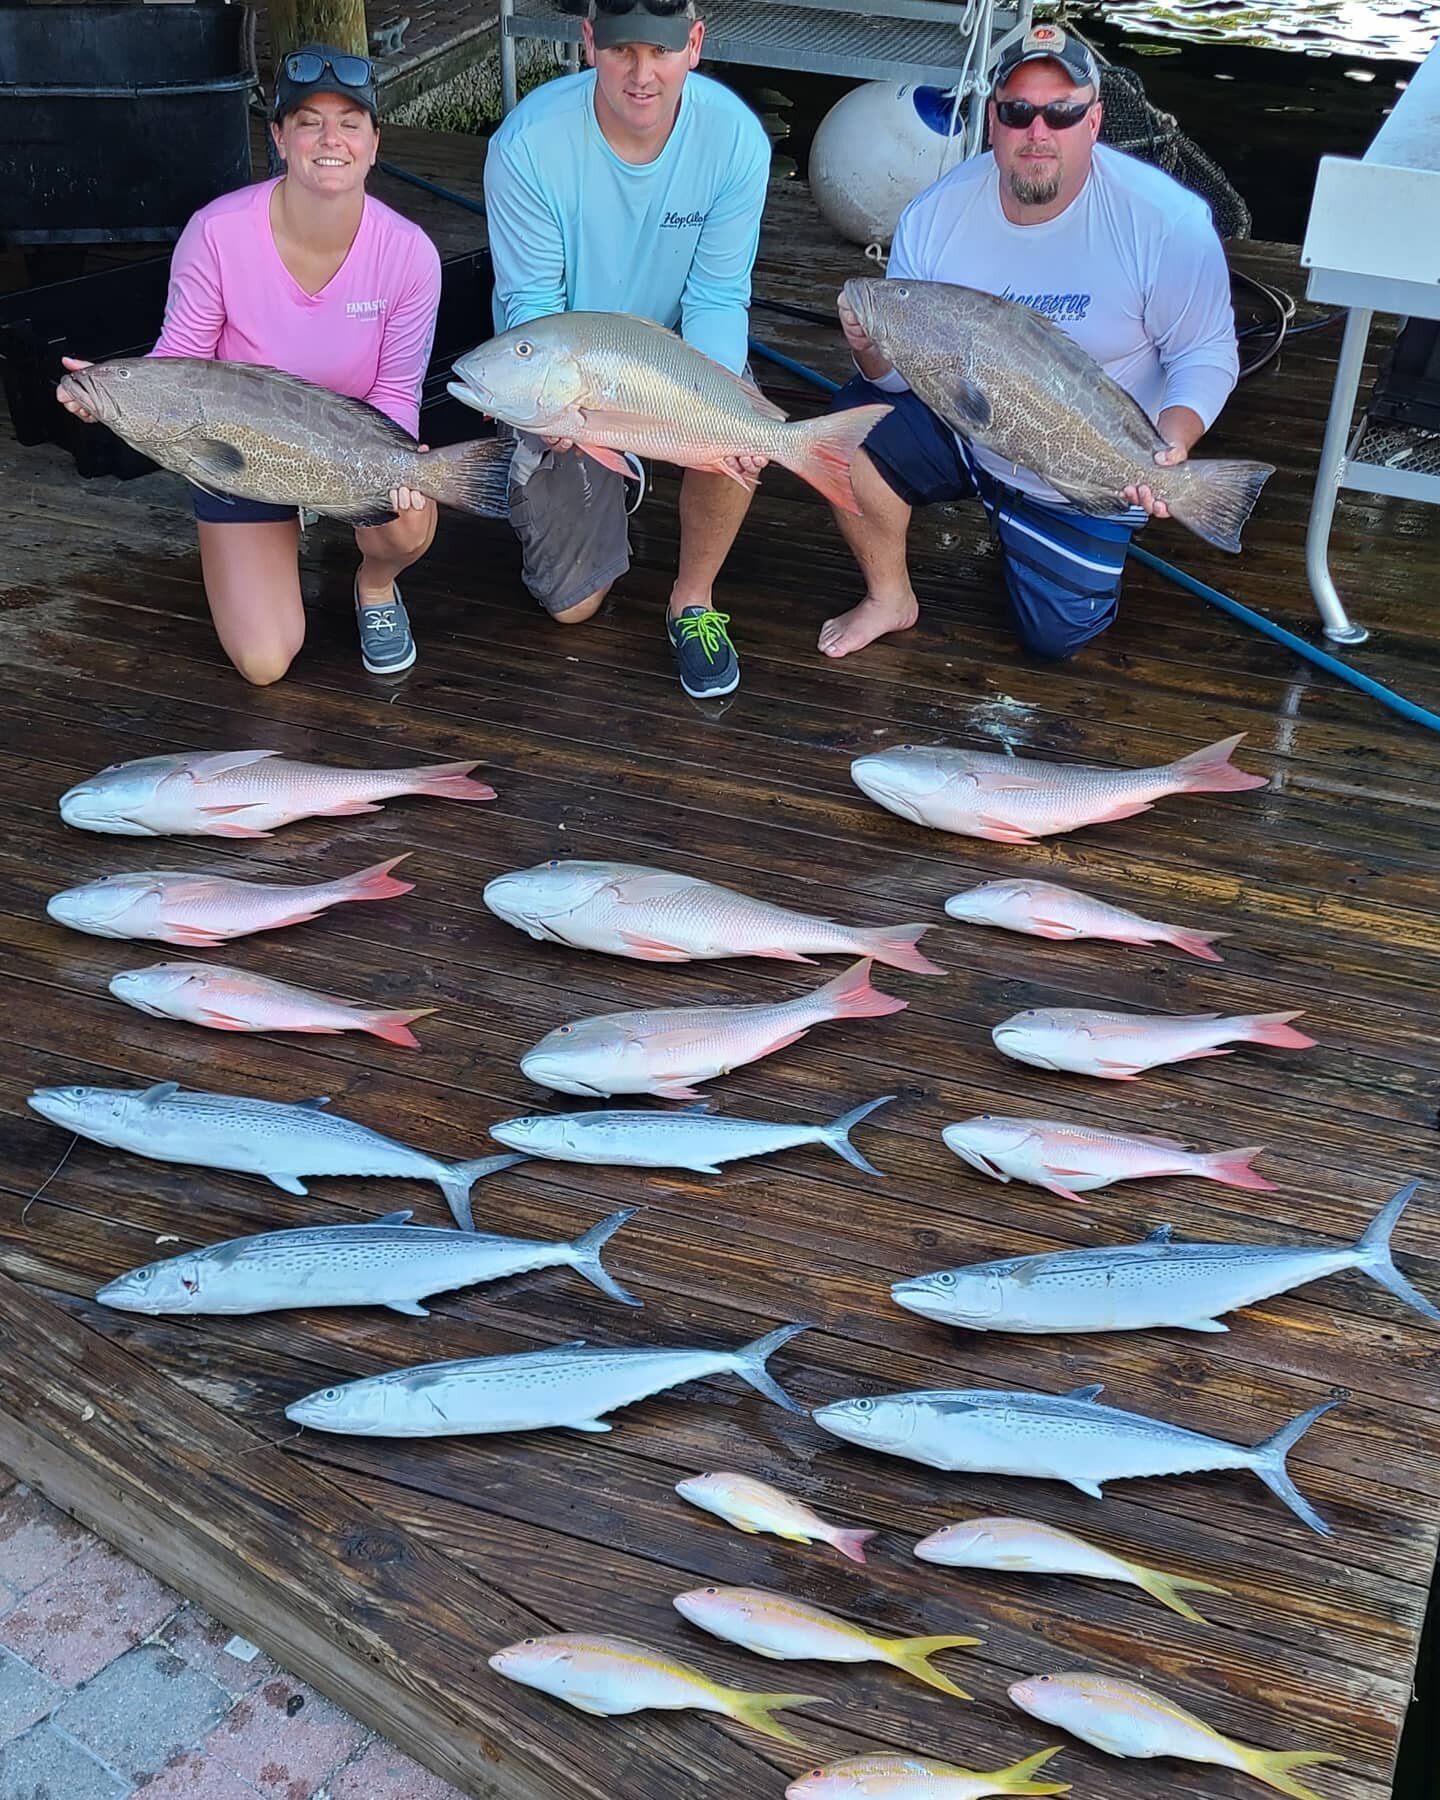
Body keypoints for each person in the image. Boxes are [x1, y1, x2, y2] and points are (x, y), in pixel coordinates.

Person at [820, 24, 1241, 663]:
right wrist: (870, 351)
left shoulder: (1164, 222)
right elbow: (897, 383)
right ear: (993, 120)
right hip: (967, 424)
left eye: (1061, 113)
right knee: (842, 436)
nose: (1037, 132)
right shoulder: (934, 215)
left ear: (1094, 121)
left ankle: (1038, 531)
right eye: (1018, 112)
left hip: (1088, 458)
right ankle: (889, 596)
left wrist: (1172, 446)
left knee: (1053, 640)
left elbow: (1206, 352)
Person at [57, 45, 442, 684]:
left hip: (349, 450)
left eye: (350, 124)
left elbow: (398, 388)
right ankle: (276, 544)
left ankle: (374, 586)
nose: (330, 139)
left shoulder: (411, 254)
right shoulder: (216, 232)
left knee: (407, 520)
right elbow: (179, 360)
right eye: (308, 122)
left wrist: (395, 461)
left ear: (375, 144)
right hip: (239, 455)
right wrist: (109, 389)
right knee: (264, 662)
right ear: (279, 138)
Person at [482, 0, 772, 699]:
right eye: (621, 52)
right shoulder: (527, 145)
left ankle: (693, 600)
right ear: (588, 43)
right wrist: (553, 414)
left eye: (662, 52)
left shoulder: (735, 139)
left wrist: (717, 405)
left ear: (695, 45)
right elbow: (534, 309)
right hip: (563, 366)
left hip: (674, 349)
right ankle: (607, 485)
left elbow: (717, 297)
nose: (642, 75)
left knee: (740, 420)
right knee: (574, 607)